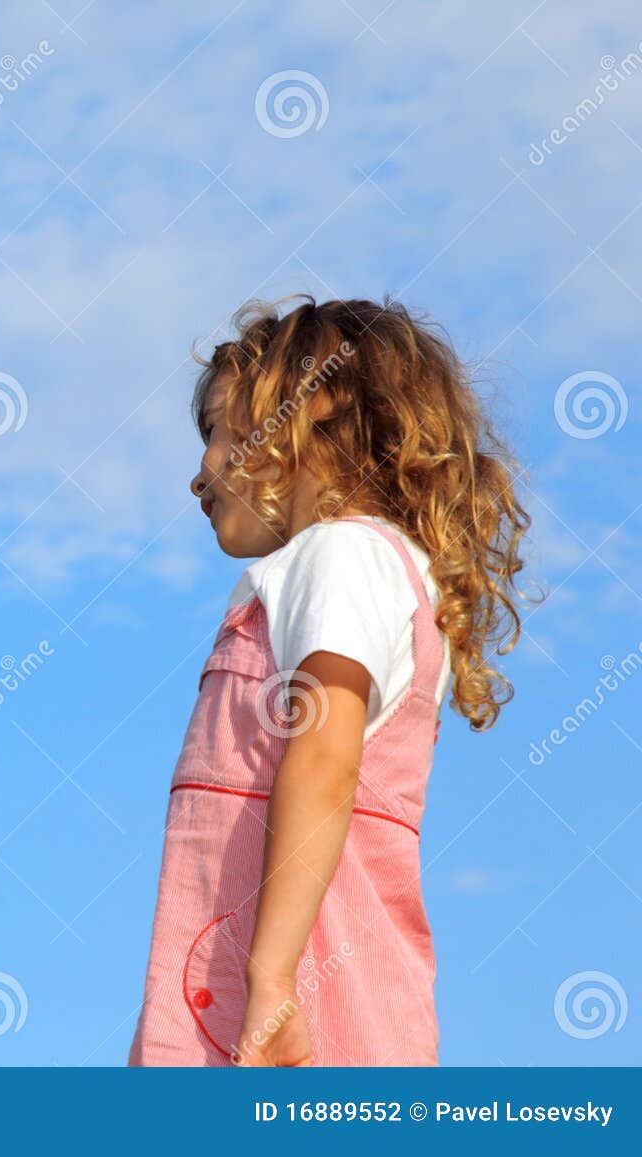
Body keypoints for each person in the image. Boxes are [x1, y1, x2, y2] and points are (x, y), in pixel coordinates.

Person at [127, 295, 534, 1066]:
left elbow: (323, 758)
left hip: (300, 1017)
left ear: (316, 405)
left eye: (217, 428)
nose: (199, 472)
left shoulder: (342, 556)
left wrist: (273, 974)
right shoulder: (363, 568)